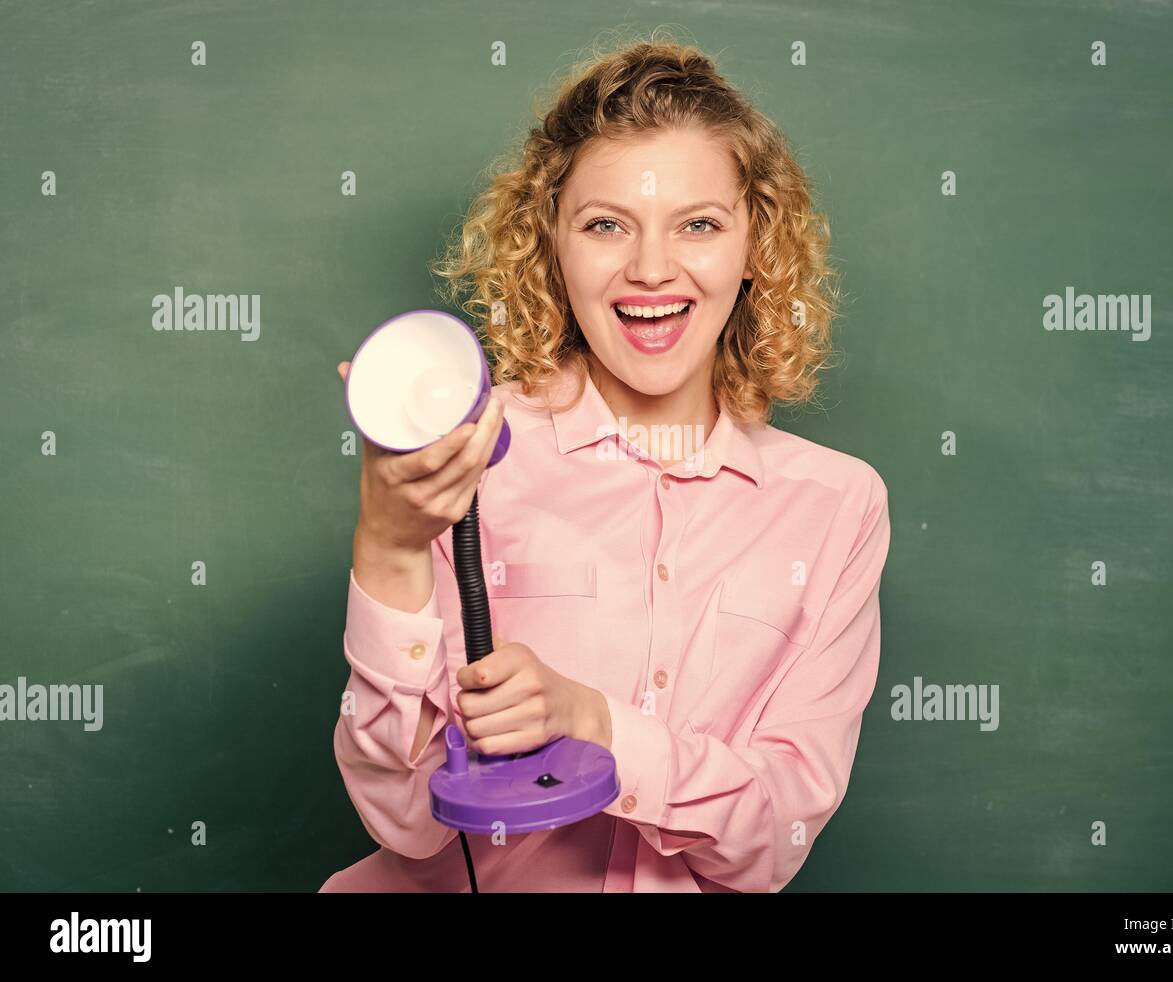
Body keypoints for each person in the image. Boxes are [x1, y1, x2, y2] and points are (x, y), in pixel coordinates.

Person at [319, 33, 890, 893]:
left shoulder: (836, 507)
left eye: (698, 224)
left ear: (754, 248)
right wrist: (390, 550)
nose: (652, 268)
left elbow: (773, 842)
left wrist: (598, 725)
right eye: (605, 225)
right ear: (551, 244)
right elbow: (406, 822)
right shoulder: (468, 453)